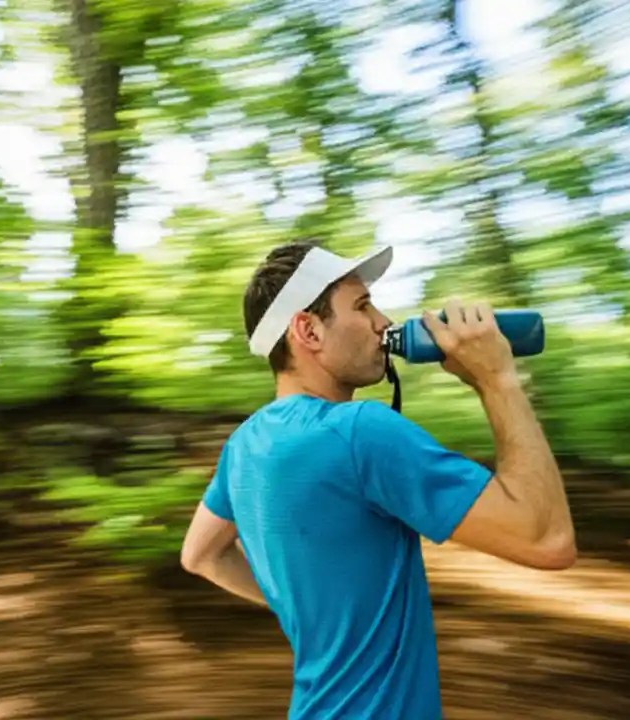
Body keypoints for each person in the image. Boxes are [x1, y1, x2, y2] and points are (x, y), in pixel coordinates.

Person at [179, 241, 576, 719]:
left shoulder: (244, 446)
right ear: (308, 329)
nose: (383, 322)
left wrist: (306, 612)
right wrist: (498, 381)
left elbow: (200, 555)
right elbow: (547, 539)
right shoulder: (360, 432)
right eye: (363, 306)